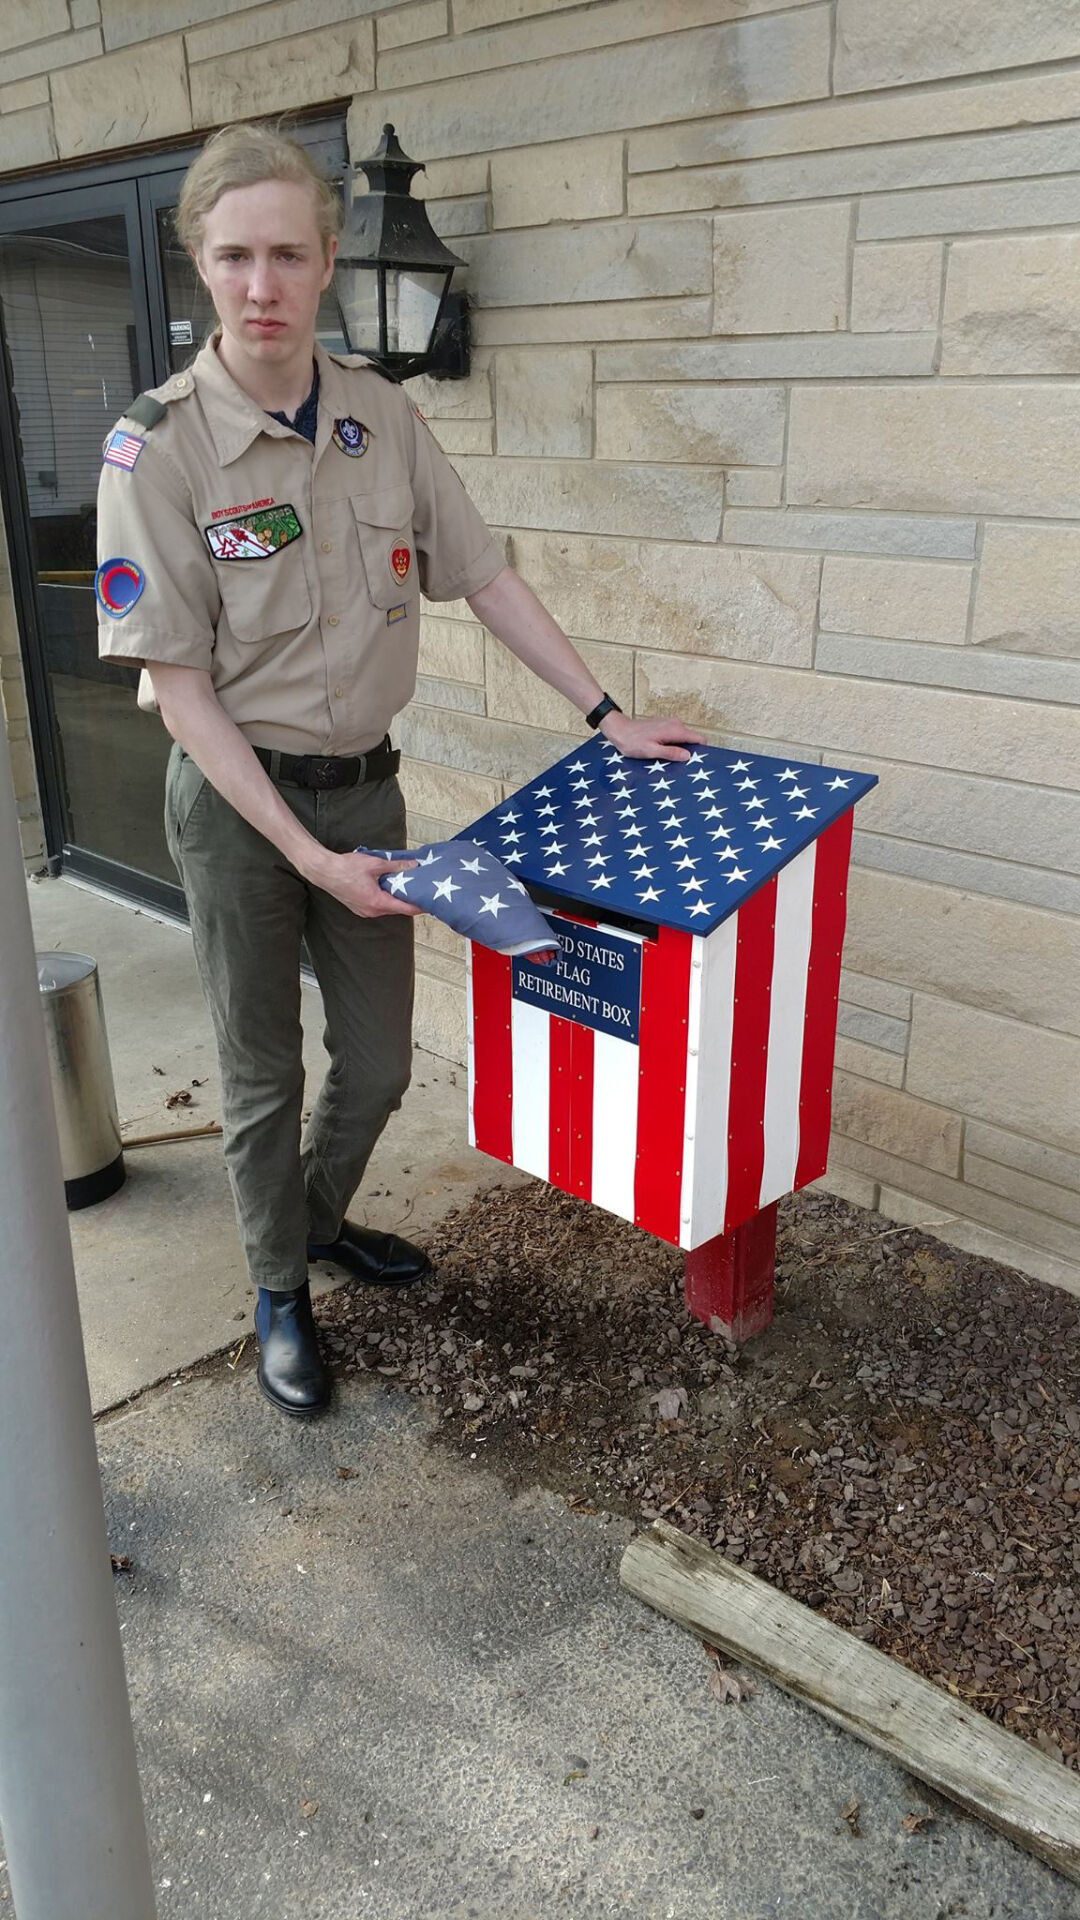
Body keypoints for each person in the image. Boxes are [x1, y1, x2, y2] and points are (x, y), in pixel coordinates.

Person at [95, 123, 702, 1420]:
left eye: (288, 255)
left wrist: (604, 714)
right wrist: (307, 856)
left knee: (373, 1066)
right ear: (202, 266)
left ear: (324, 265)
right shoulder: (157, 452)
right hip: (239, 810)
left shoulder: (381, 413)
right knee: (263, 1079)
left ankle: (310, 1224)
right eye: (234, 256)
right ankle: (279, 1289)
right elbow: (182, 689)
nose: (262, 284)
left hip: (369, 795)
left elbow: (482, 574)